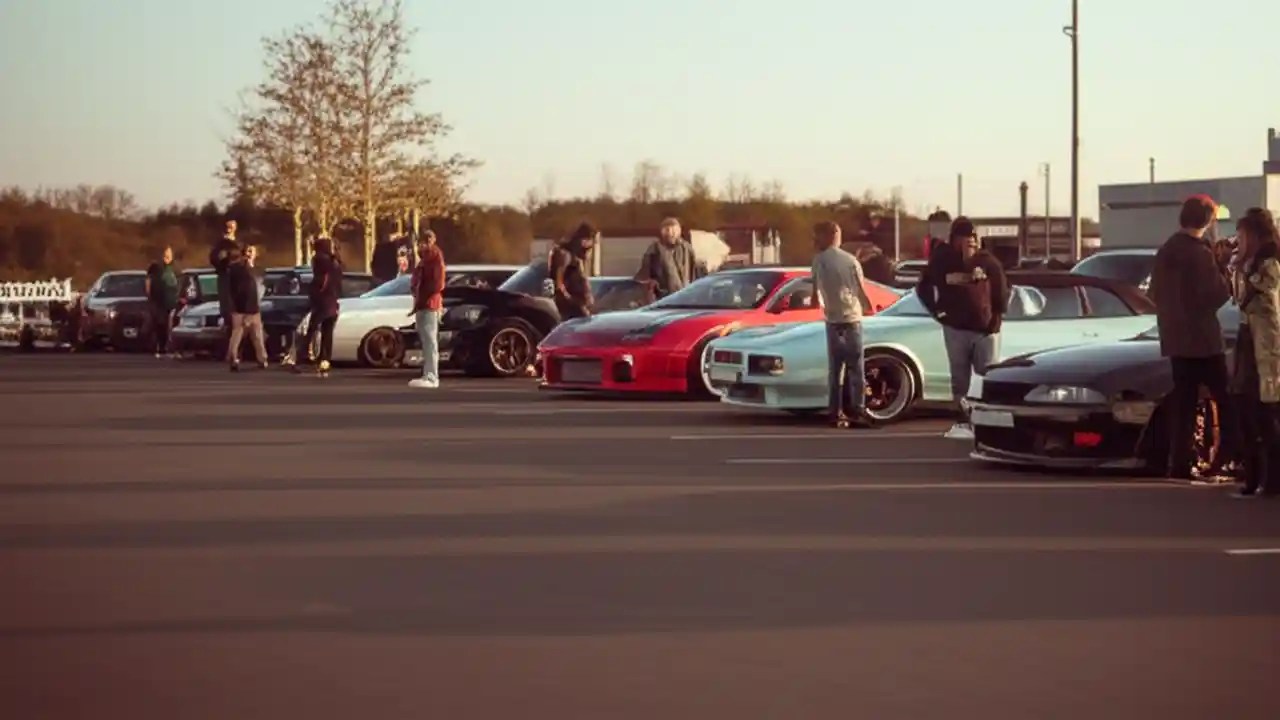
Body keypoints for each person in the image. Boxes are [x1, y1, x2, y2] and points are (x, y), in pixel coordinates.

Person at [1150, 195, 1239, 480]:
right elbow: (1215, 295)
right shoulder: (1199, 253)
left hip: (1176, 339)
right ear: (1208, 220)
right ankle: (1230, 455)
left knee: (1184, 404)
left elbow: (1155, 294)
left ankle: (1178, 462)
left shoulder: (1167, 250)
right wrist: (1223, 265)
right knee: (1225, 399)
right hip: (1203, 340)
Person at [916, 216, 1010, 440]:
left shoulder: (987, 261)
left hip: (984, 327)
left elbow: (1002, 291)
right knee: (959, 378)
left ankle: (990, 422)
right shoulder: (942, 260)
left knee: (987, 373)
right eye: (965, 238)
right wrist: (937, 311)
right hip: (956, 327)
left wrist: (996, 319)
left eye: (974, 238)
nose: (970, 242)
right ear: (954, 239)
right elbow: (924, 287)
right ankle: (962, 421)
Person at [1227, 208, 1280, 498]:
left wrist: (1243, 268)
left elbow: (1258, 295)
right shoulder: (1251, 264)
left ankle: (1268, 477)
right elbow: (1238, 298)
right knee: (1248, 409)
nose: (1239, 241)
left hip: (1267, 346)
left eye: (1243, 235)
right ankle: (1255, 474)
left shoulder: (1269, 263)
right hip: (1251, 340)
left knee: (1264, 412)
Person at [811, 221, 876, 429]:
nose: (814, 241)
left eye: (817, 236)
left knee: (835, 369)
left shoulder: (818, 261)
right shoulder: (850, 260)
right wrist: (869, 307)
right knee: (856, 367)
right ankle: (857, 409)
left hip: (832, 321)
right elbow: (860, 289)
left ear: (828, 236)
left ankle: (835, 411)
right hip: (851, 319)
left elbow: (816, 292)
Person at [297, 236, 343, 376]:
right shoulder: (335, 262)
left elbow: (320, 281)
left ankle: (302, 356)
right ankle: (325, 359)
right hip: (332, 300)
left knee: (311, 329)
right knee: (327, 332)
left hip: (322, 300)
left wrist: (313, 293)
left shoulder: (320, 260)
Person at [409, 230, 446, 389]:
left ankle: (431, 376)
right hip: (424, 303)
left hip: (429, 304)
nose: (420, 246)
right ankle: (428, 374)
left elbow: (437, 284)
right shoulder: (426, 259)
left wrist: (423, 297)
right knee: (426, 340)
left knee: (430, 340)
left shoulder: (433, 259)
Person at [225, 245, 268, 371]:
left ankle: (262, 359)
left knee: (257, 336)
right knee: (237, 334)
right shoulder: (237, 269)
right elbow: (238, 290)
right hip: (241, 308)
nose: (249, 254)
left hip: (254, 309)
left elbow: (258, 289)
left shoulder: (257, 270)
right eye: (247, 251)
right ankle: (233, 358)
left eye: (252, 251)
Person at [636, 217, 697, 298]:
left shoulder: (686, 248)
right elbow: (645, 271)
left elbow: (694, 271)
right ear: (662, 232)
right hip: (664, 297)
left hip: (685, 294)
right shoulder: (655, 248)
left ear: (679, 231)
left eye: (674, 230)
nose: (671, 233)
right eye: (667, 230)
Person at [552, 222, 597, 320]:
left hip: (579, 304)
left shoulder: (577, 257)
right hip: (573, 307)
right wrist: (570, 299)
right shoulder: (567, 255)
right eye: (591, 240)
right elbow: (559, 282)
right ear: (584, 239)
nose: (592, 245)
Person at [144, 246, 180, 358]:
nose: (167, 256)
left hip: (173, 301)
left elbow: (179, 282)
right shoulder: (155, 267)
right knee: (161, 325)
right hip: (159, 302)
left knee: (171, 326)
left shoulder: (175, 268)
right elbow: (148, 283)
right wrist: (150, 297)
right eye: (165, 253)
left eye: (169, 253)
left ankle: (171, 348)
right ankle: (161, 348)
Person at [209, 219, 240, 331]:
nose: (229, 229)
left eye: (231, 226)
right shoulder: (220, 244)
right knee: (228, 309)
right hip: (226, 278)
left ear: (235, 228)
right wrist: (223, 262)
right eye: (227, 226)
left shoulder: (239, 243)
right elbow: (213, 258)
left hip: (238, 280)